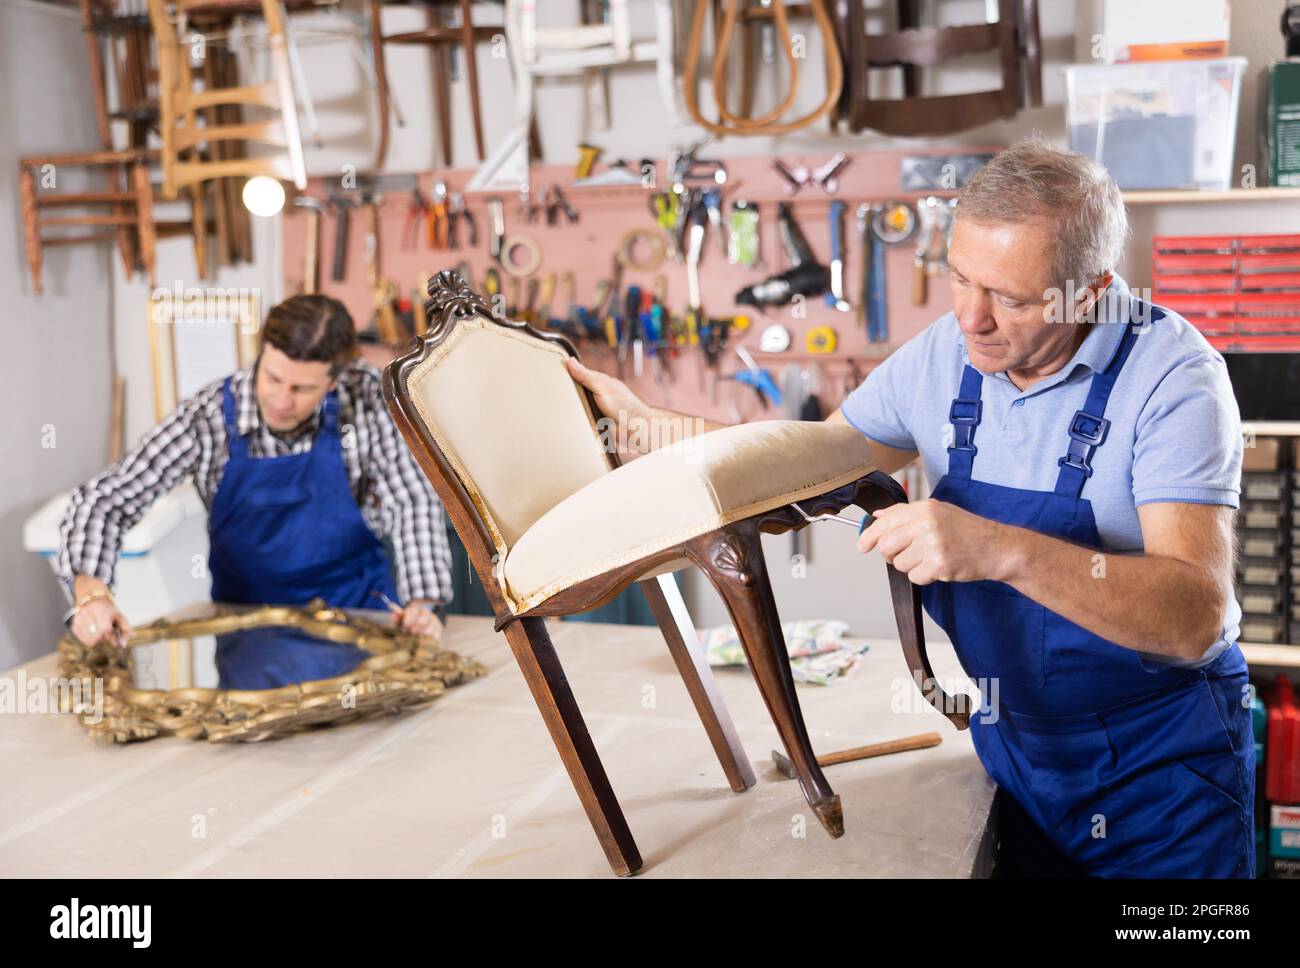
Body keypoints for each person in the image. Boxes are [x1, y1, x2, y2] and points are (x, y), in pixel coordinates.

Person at [566, 138, 1254, 878]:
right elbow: (795, 472)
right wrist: (647, 426)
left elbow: (1193, 619)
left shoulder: (1174, 380)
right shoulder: (942, 356)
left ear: (1090, 291)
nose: (972, 318)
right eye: (959, 277)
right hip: (1017, 760)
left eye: (1010, 298)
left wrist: (1001, 548)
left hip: (1162, 775)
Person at [58, 294, 454, 686]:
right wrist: (91, 591)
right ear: (260, 354)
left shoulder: (366, 395)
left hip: (361, 619)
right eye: (273, 378)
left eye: (302, 389)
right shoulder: (207, 416)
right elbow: (103, 501)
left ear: (335, 379)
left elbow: (411, 499)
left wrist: (423, 601)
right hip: (251, 636)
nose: (282, 401)